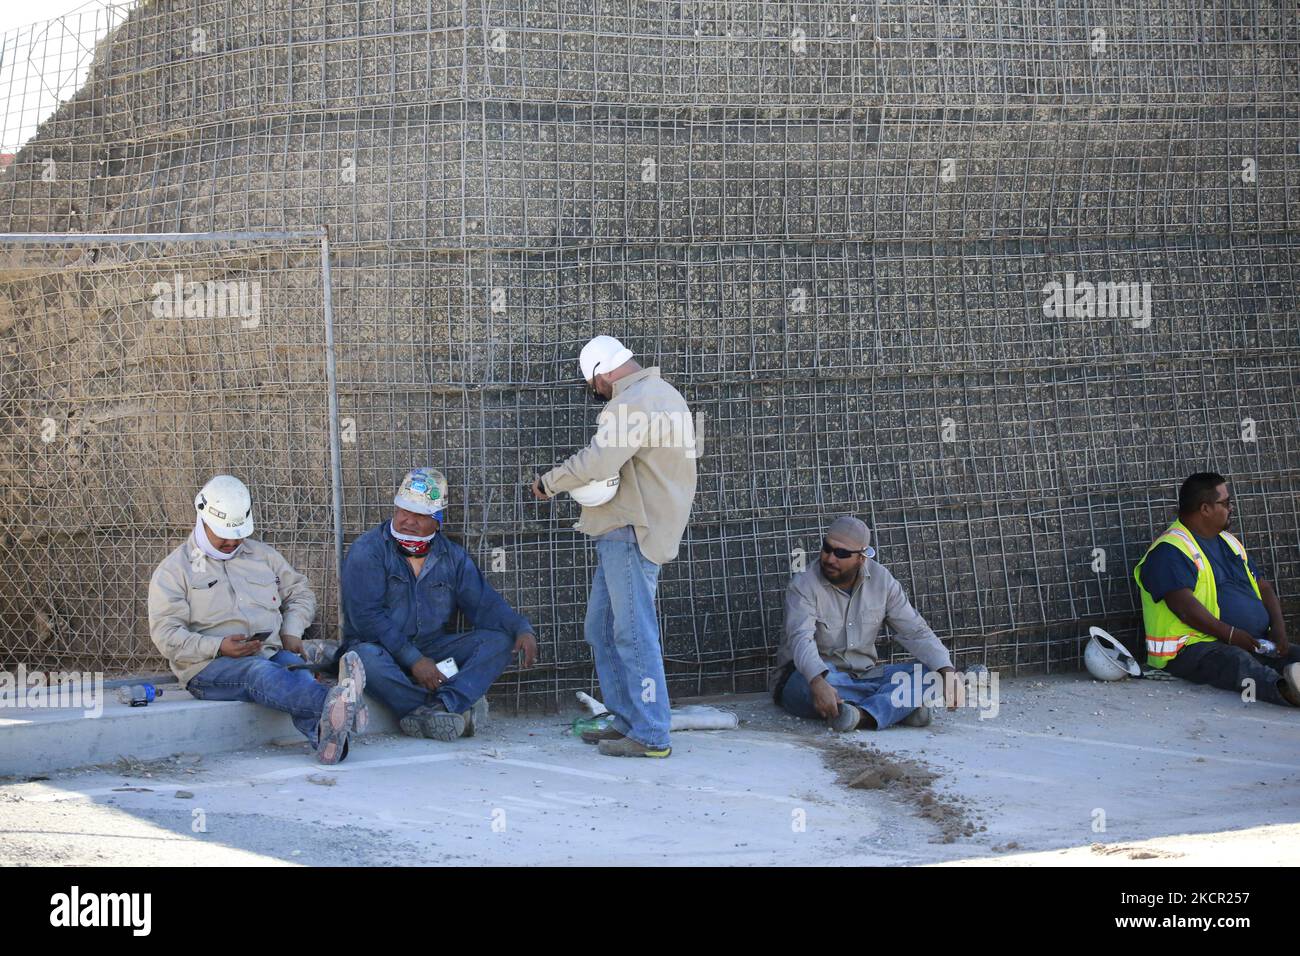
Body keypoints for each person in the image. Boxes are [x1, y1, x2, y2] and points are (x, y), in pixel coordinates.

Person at [532, 335, 698, 757]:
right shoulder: (666, 395)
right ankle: (627, 720)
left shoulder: (632, 402)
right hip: (639, 528)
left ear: (602, 371)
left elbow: (600, 461)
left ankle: (651, 733)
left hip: (630, 530)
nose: (596, 391)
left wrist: (550, 483)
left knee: (632, 634)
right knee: (603, 629)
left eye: (593, 383)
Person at [148, 475, 366, 764]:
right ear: (202, 519)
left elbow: (300, 593)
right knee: (258, 674)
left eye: (238, 533)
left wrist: (291, 631)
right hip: (208, 669)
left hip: (270, 654)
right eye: (223, 533)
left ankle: (327, 739)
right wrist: (218, 646)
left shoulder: (263, 556)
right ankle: (340, 704)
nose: (232, 541)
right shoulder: (175, 570)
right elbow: (166, 635)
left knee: (294, 672)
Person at [342, 467, 538, 741]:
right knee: (362, 658)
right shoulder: (368, 550)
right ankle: (442, 708)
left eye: (419, 515)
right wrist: (414, 660)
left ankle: (440, 706)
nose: (407, 521)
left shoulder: (452, 556)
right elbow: (366, 618)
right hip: (382, 651)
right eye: (402, 511)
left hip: (433, 650)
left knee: (498, 642)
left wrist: (520, 628)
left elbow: (484, 603)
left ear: (437, 519)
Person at [771, 515, 963, 730]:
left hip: (864, 675)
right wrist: (818, 681)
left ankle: (861, 715)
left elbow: (915, 631)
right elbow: (800, 639)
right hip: (813, 677)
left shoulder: (883, 581)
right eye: (827, 548)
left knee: (932, 675)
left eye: (841, 553)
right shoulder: (803, 584)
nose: (830, 558)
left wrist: (947, 671)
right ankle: (896, 707)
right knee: (804, 686)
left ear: (861, 558)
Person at [1134, 472, 1299, 706]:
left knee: (1292, 654)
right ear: (1205, 509)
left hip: (1250, 640)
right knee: (1237, 662)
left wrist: (1279, 629)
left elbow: (1263, 587)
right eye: (1226, 503)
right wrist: (1231, 635)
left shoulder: (1229, 542)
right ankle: (1287, 692)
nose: (1231, 508)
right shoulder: (1170, 549)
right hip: (1191, 649)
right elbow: (1184, 608)